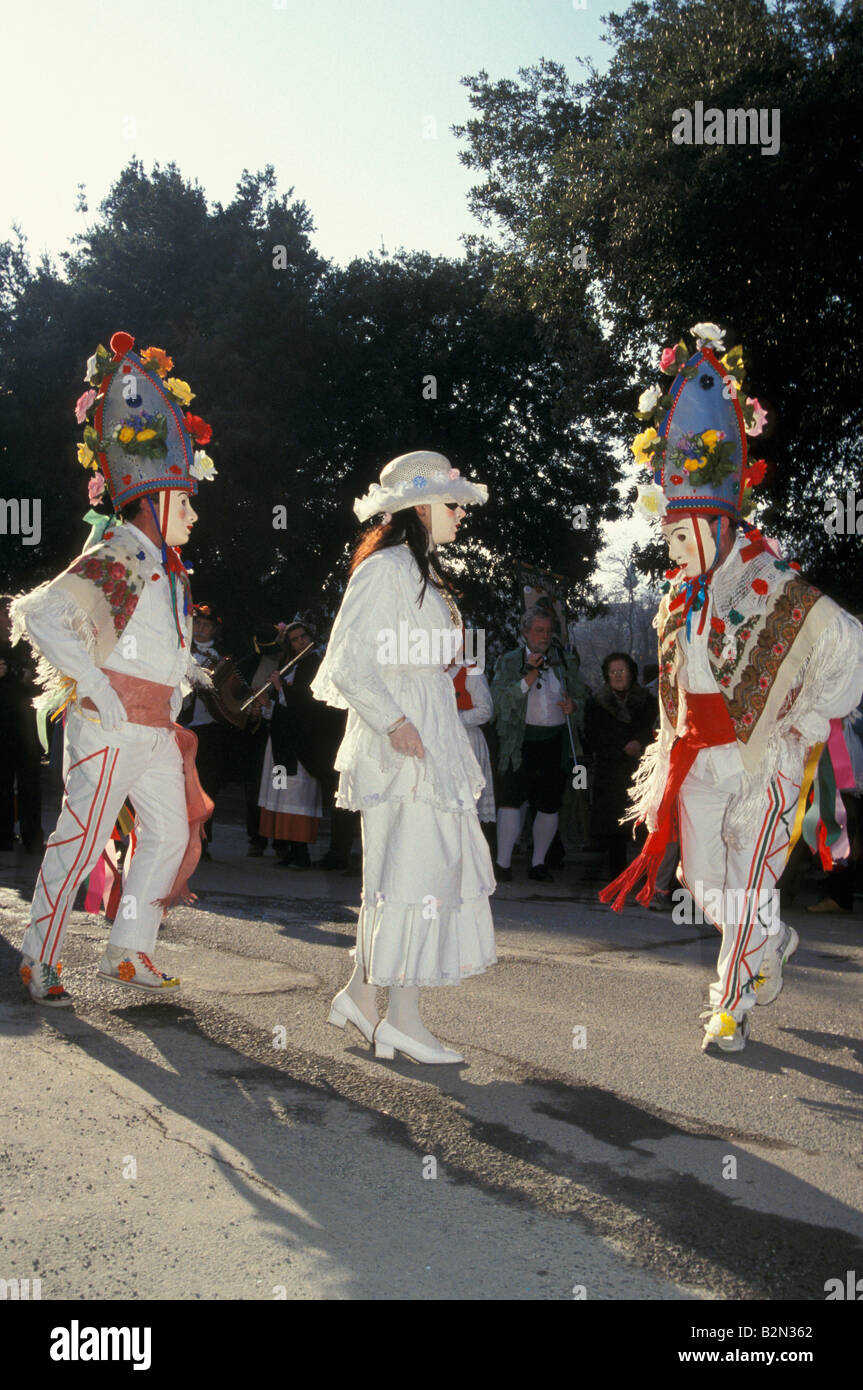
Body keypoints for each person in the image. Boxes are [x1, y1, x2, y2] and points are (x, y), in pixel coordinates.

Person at [600, 320, 863, 1053]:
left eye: (683, 534)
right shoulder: (673, 600)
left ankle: (731, 1002)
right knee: (709, 883)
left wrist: (808, 722)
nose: (672, 547)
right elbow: (675, 697)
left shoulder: (763, 579)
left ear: (715, 523)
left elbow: (845, 639)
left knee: (746, 883)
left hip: (764, 763)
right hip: (700, 761)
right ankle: (769, 942)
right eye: (669, 535)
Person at [9, 330, 216, 1005]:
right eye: (183, 501)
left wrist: (179, 696)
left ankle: (128, 951)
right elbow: (39, 612)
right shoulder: (123, 551)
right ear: (154, 502)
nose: (191, 512)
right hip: (110, 726)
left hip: (153, 731)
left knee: (167, 833)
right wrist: (97, 687)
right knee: (81, 839)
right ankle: (39, 959)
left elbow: (165, 649)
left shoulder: (168, 571)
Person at [312, 450, 496, 1064]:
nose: (460, 514)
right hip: (404, 746)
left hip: (427, 735)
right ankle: (404, 1021)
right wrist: (395, 723)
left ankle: (364, 996)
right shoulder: (387, 569)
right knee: (417, 877)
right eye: (451, 503)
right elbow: (346, 663)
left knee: (403, 876)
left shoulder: (423, 574)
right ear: (420, 507)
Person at [491, 607, 585, 882]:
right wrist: (528, 677)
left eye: (547, 631)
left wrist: (574, 705)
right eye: (538, 631)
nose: (544, 636)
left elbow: (582, 695)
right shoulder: (508, 662)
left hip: (554, 742)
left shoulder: (565, 662)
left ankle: (538, 863)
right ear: (525, 633)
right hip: (517, 743)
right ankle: (503, 864)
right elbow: (499, 702)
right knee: (510, 801)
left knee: (549, 803)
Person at [584, 653, 657, 880]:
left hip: (642, 769)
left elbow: (652, 728)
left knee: (646, 824)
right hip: (611, 771)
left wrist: (639, 743)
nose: (617, 675)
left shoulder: (647, 701)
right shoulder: (596, 703)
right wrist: (620, 747)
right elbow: (592, 736)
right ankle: (618, 875)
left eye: (622, 671)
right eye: (612, 671)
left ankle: (648, 874)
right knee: (615, 825)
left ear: (631, 673)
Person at [257, 618, 323, 867]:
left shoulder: (315, 662)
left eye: (302, 637)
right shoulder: (290, 664)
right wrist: (268, 704)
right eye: (294, 640)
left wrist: (280, 687)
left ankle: (301, 850)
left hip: (302, 741)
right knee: (280, 788)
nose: (299, 643)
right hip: (282, 738)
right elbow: (284, 704)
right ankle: (285, 846)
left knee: (299, 793)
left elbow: (306, 701)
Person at [180, 603, 228, 859]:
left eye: (206, 626)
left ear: (214, 630)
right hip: (178, 725)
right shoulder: (179, 650)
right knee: (176, 784)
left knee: (205, 786)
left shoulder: (221, 660)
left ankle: (201, 841)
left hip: (207, 728)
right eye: (197, 624)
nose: (200, 629)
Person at [0, 594, 44, 854]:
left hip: (26, 723)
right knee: (2, 780)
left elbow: (40, 678)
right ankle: (3, 836)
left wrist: (21, 674)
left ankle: (32, 836)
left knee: (30, 780)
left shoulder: (30, 642)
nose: (7, 621)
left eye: (11, 615)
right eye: (3, 615)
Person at [449, 655, 496, 835]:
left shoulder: (471, 669)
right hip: (441, 743)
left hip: (467, 741)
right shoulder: (431, 668)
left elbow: (485, 710)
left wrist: (454, 720)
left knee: (468, 807)